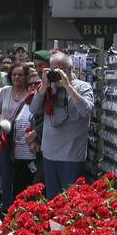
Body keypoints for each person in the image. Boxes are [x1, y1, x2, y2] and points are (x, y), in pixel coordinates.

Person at [27, 52, 94, 198]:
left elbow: (86, 110)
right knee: (53, 201)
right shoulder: (48, 88)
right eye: (52, 70)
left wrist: (68, 86)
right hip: (49, 156)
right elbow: (33, 109)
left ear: (69, 69)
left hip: (71, 157)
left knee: (71, 203)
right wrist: (44, 86)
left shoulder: (83, 87)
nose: (55, 75)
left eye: (59, 70)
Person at [0, 61, 35, 208]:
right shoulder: (4, 91)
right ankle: (6, 206)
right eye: (14, 74)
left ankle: (22, 206)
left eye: (20, 75)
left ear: (26, 77)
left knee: (21, 174)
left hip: (23, 140)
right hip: (5, 137)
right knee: (5, 174)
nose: (17, 77)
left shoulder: (31, 94)